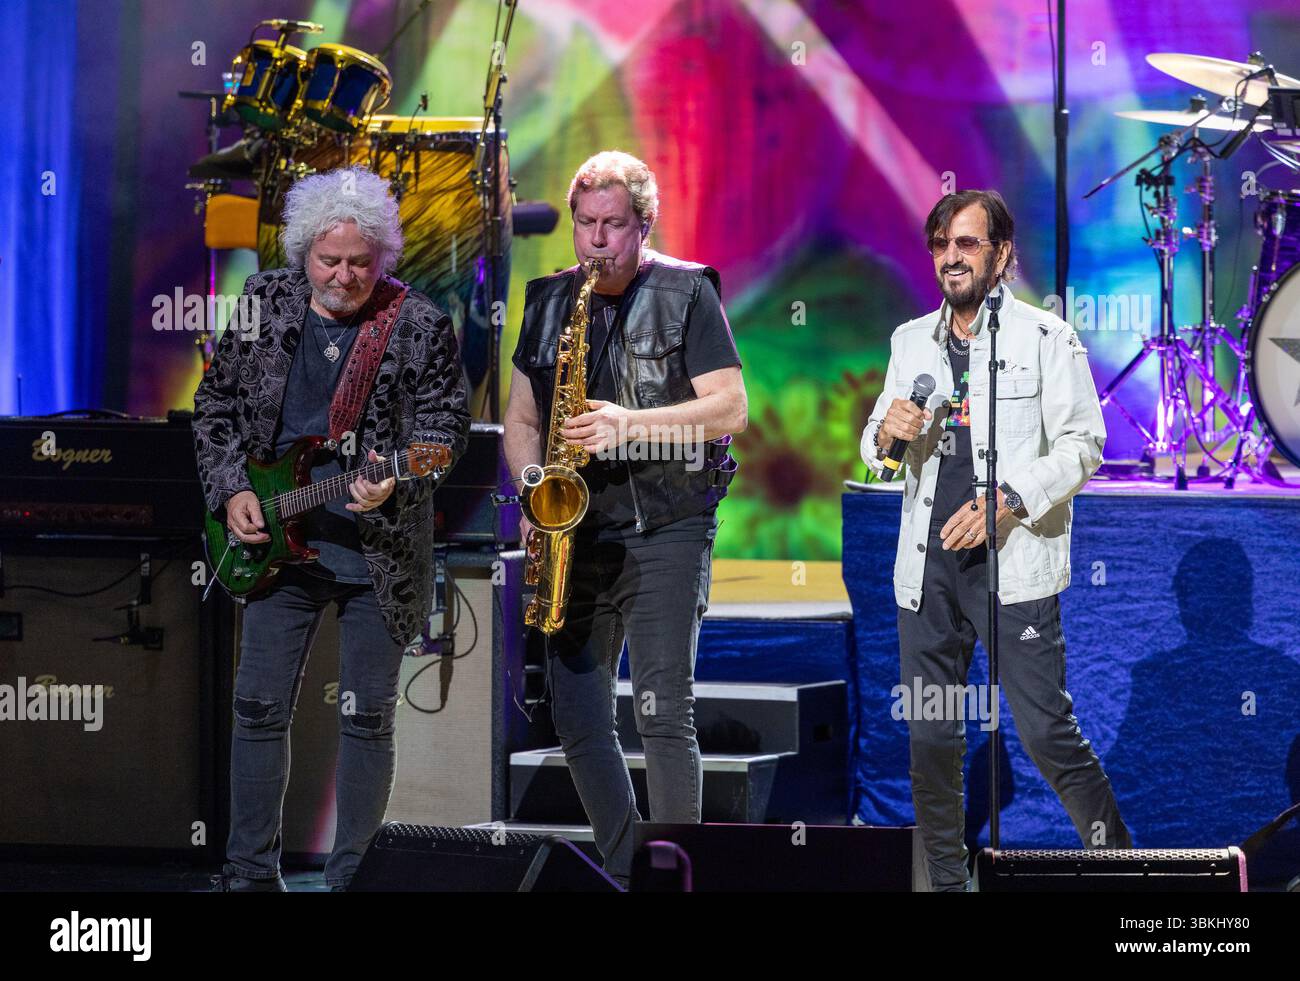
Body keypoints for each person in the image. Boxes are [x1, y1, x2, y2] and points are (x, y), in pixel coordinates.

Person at [193, 166, 470, 892]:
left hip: (372, 553)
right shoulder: (264, 301)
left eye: (360, 262)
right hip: (274, 541)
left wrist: (399, 478)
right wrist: (230, 493)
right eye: (329, 260)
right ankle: (250, 871)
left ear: (382, 257)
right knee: (256, 708)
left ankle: (354, 880)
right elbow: (214, 405)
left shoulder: (418, 325)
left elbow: (445, 430)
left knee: (367, 717)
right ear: (302, 253)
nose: (345, 275)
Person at [860, 188, 1131, 891]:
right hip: (928, 573)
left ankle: (1128, 874)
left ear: (1002, 254)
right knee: (932, 739)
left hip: (1012, 569)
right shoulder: (910, 340)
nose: (952, 258)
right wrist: (886, 432)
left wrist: (1008, 500)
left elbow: (1084, 445)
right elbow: (875, 449)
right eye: (942, 246)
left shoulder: (1045, 337)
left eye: (968, 244)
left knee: (1047, 735)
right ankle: (949, 886)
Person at [504, 150, 746, 885]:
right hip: (575, 532)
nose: (597, 241)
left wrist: (630, 424)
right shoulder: (549, 300)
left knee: (662, 711)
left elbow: (729, 410)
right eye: (585, 225)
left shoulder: (687, 292)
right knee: (577, 715)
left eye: (613, 225)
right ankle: (626, 868)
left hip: (667, 522)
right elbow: (519, 417)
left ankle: (678, 875)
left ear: (645, 225)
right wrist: (533, 491)